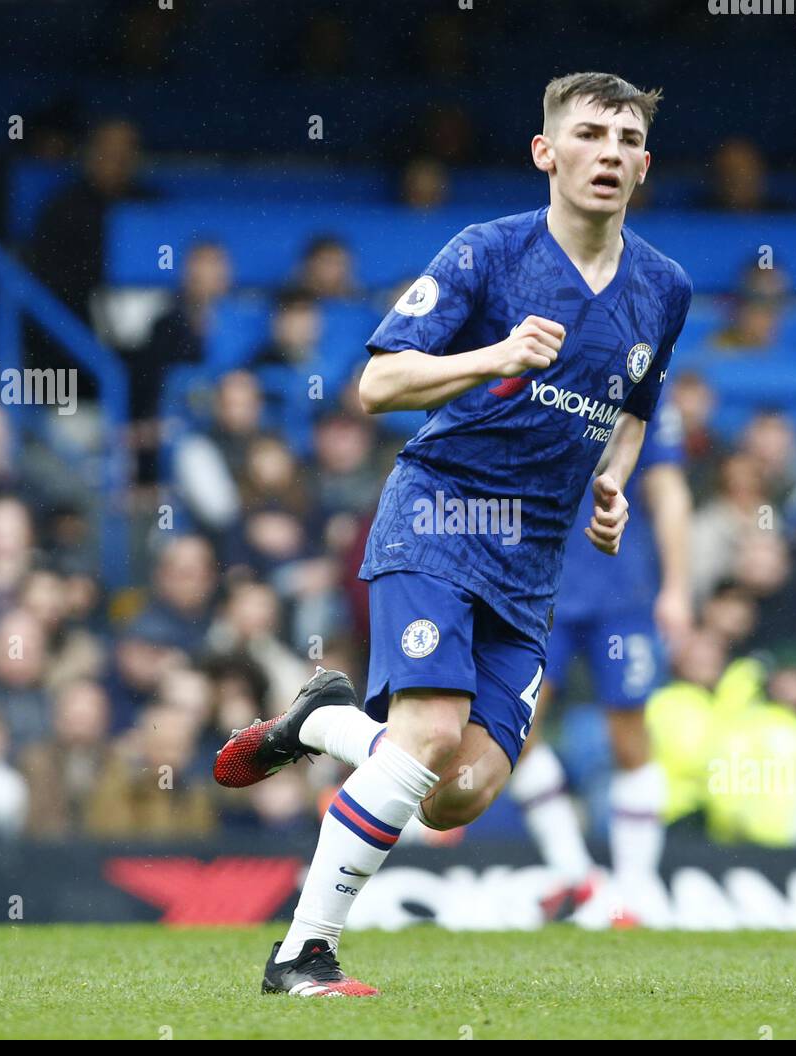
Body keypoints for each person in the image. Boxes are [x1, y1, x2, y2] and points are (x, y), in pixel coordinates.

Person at [214, 72, 692, 996]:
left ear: (644, 166)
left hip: (536, 551)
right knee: (428, 733)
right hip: (440, 510)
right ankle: (301, 953)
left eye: (628, 140)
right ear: (546, 154)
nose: (611, 152)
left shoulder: (662, 287)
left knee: (456, 792)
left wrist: (615, 484)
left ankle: (322, 721)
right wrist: (497, 355)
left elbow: (636, 408)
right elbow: (380, 384)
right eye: (590, 135)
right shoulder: (488, 254)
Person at [508, 391, 691, 927]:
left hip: (623, 593)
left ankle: (635, 889)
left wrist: (677, 588)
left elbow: (669, 490)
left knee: (629, 734)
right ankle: (574, 872)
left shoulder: (646, 377)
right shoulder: (534, 364)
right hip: (540, 589)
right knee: (512, 731)